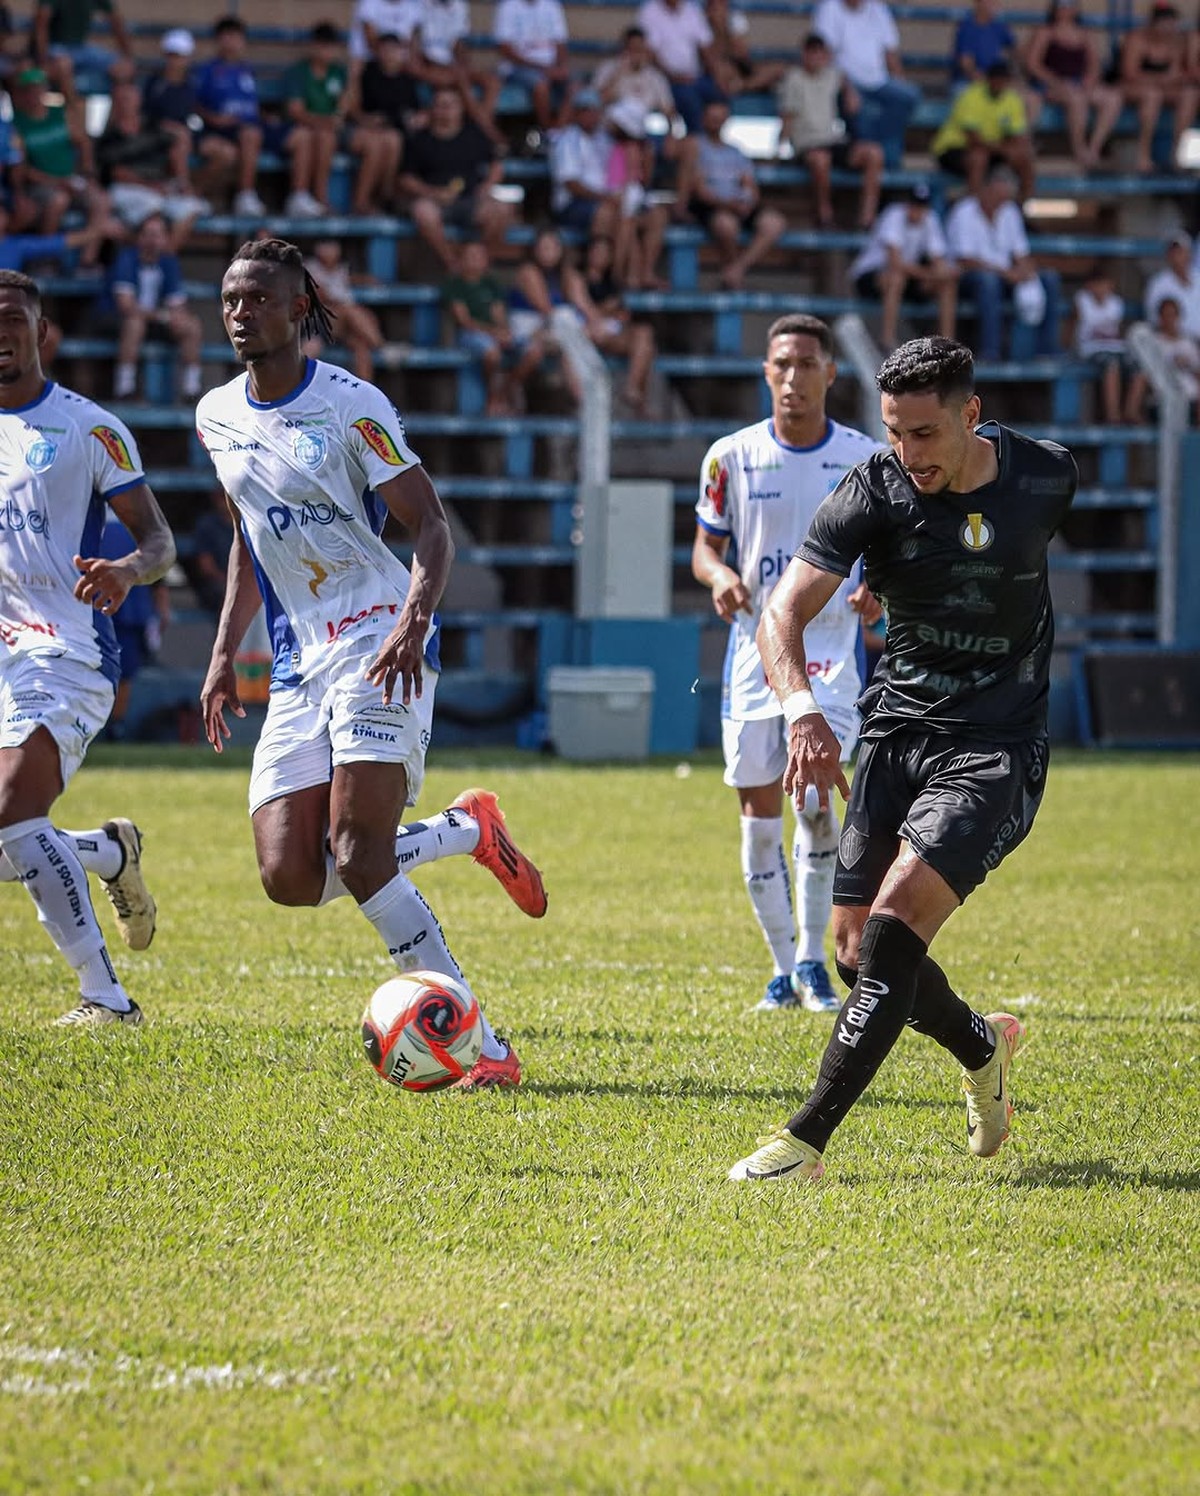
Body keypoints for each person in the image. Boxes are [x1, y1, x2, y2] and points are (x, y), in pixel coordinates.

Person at [196, 237, 547, 1090]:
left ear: (297, 309)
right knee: (289, 876)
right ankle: (468, 831)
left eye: (259, 299)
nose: (242, 313)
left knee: (359, 856)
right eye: (231, 300)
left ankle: (482, 1046)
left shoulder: (353, 406)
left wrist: (413, 622)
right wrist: (221, 654)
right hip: (295, 659)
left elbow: (430, 525)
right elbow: (249, 537)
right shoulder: (215, 414)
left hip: (378, 639)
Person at [729, 335, 1077, 1181]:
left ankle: (803, 1142)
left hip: (995, 745)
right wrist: (804, 710)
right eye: (893, 432)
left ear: (970, 415)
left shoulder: (1046, 477)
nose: (906, 453)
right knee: (854, 954)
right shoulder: (872, 492)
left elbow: (1009, 564)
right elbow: (783, 614)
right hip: (895, 733)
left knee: (892, 926)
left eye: (923, 433)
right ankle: (981, 1049)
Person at [693, 313, 881, 1014]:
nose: (793, 377)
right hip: (754, 653)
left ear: (831, 373)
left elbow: (890, 549)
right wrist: (718, 579)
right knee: (758, 816)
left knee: (815, 802)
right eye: (781, 364)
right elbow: (705, 549)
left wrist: (875, 589)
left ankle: (813, 963)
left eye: (807, 363)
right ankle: (780, 969)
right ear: (766, 372)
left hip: (829, 652)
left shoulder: (864, 458)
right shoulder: (729, 457)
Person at [0, 268, 174, 1026]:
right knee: (16, 835)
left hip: (66, 653)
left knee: (12, 809)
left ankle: (108, 1000)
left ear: (42, 333)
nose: (1, 333)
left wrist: (129, 571)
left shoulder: (89, 427)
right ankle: (108, 853)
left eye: (13, 318)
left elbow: (158, 538)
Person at [282, 22, 402, 219]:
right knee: (325, 136)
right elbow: (296, 112)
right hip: (312, 129)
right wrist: (325, 122)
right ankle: (320, 198)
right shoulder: (298, 72)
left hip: (338, 128)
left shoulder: (339, 72)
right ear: (312, 46)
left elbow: (349, 108)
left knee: (375, 142)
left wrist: (354, 80)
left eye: (331, 46)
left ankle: (362, 201)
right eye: (322, 45)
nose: (327, 51)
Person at [946, 165, 1060, 361]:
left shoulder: (1009, 211)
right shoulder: (964, 212)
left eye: (1004, 199)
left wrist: (1025, 269)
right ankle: (991, 350)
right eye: (997, 197)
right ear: (986, 190)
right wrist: (1006, 273)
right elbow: (965, 260)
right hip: (971, 276)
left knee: (1049, 278)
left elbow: (1020, 252)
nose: (1000, 203)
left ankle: (1046, 349)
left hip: (1006, 275)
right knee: (988, 282)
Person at [674, 96, 787, 290]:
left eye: (720, 118)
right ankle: (733, 276)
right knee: (726, 225)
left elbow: (751, 186)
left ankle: (736, 270)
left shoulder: (736, 152)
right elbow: (700, 191)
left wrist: (747, 202)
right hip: (712, 207)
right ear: (703, 119)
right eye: (712, 118)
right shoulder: (694, 146)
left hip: (738, 205)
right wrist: (730, 205)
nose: (716, 123)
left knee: (775, 223)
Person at [398, 86, 512, 271]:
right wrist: (433, 193)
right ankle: (453, 263)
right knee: (422, 210)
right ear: (432, 109)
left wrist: (486, 187)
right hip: (435, 201)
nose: (445, 110)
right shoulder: (419, 139)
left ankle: (479, 262)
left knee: (502, 210)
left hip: (470, 199)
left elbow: (497, 165)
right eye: (440, 105)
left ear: (461, 108)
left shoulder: (473, 134)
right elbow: (405, 179)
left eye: (450, 105)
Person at [777, 32, 883, 229]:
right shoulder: (793, 80)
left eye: (820, 53)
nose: (816, 58)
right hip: (807, 144)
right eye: (812, 53)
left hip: (833, 140)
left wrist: (850, 93)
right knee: (820, 160)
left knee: (873, 153)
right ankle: (824, 214)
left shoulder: (832, 75)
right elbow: (787, 117)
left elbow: (846, 88)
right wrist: (781, 149)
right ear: (804, 55)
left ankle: (867, 217)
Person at [96, 210, 203, 400]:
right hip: (116, 320)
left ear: (165, 239)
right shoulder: (126, 258)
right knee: (135, 322)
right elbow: (126, 306)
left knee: (191, 325)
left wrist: (177, 318)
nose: (151, 240)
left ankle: (191, 389)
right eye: (146, 234)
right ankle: (125, 387)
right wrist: (164, 316)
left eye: (156, 235)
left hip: (153, 320)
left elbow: (177, 304)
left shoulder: (169, 262)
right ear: (138, 238)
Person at [95, 81, 210, 242]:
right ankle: (149, 255)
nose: (125, 104)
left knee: (192, 206)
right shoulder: (110, 137)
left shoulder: (152, 127)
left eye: (129, 99)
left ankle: (166, 254)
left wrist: (181, 181)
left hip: (158, 186)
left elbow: (179, 141)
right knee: (154, 217)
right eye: (121, 100)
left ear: (138, 101)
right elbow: (117, 173)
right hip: (128, 188)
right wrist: (152, 186)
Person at [811, 0, 920, 169]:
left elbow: (890, 53)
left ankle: (874, 146)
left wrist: (900, 80)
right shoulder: (829, 9)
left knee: (908, 96)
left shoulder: (878, 9)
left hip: (879, 82)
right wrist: (847, 88)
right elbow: (826, 58)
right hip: (846, 83)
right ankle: (879, 156)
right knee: (861, 109)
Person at [850, 182, 958, 349]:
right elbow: (895, 262)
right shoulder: (894, 215)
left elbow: (937, 259)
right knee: (896, 278)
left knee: (946, 284)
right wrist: (930, 274)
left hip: (908, 277)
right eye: (914, 205)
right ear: (907, 204)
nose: (917, 210)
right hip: (871, 274)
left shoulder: (930, 218)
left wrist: (944, 272)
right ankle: (887, 339)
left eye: (921, 206)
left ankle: (946, 345)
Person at [1024, 0, 1122, 171]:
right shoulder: (1045, 32)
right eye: (1062, 5)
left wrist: (1089, 81)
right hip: (1051, 85)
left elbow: (1094, 64)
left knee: (1112, 98)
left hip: (1078, 84)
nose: (1065, 9)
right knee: (1077, 99)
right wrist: (1056, 81)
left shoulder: (1085, 34)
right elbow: (1033, 64)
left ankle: (1094, 147)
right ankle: (1079, 148)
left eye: (1069, 5)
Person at [441, 238, 536, 415]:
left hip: (493, 332)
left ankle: (508, 388)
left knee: (534, 351)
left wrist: (504, 332)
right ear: (461, 259)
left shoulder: (491, 284)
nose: (475, 259)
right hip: (470, 335)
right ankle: (493, 393)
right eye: (471, 255)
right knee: (491, 353)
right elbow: (465, 321)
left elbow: (498, 315)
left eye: (479, 255)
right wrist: (494, 333)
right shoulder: (454, 285)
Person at [194, 16, 270, 219]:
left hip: (246, 129)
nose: (232, 42)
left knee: (252, 134)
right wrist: (214, 118)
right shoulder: (207, 70)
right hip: (217, 129)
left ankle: (244, 196)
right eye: (226, 37)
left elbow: (253, 105)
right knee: (235, 147)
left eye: (236, 37)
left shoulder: (247, 69)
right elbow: (193, 104)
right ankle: (238, 195)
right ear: (218, 40)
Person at [931, 60, 1034, 200]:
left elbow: (1016, 136)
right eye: (997, 79)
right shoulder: (971, 96)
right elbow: (973, 139)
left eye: (1004, 80)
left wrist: (1013, 149)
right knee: (979, 157)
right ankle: (974, 208)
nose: (1000, 83)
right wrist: (1004, 149)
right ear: (988, 79)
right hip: (953, 150)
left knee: (1023, 156)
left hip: (992, 149)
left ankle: (1022, 205)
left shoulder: (1012, 100)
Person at [1118, 1, 1197, 174]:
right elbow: (1129, 73)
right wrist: (1160, 79)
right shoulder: (1137, 39)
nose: (1168, 27)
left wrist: (1170, 79)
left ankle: (1177, 153)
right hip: (1133, 88)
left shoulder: (1175, 43)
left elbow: (1176, 74)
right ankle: (1143, 154)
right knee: (1152, 96)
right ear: (1153, 23)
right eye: (1164, 22)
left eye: (1171, 23)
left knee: (1190, 94)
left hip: (1161, 88)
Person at [302, 238, 387, 382]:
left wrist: (367, 280)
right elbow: (322, 296)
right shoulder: (310, 268)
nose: (330, 251)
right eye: (325, 246)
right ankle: (383, 347)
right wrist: (345, 306)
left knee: (361, 346)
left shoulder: (342, 269)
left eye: (333, 247)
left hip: (345, 328)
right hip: (322, 323)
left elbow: (350, 279)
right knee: (350, 311)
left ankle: (364, 396)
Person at [1072, 262, 1147, 425]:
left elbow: (1117, 329)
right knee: (1111, 365)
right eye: (1097, 284)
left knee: (1140, 368)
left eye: (1104, 284)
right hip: (1091, 348)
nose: (1101, 288)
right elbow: (1073, 328)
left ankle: (1131, 410)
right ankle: (1113, 414)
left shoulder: (1116, 303)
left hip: (1115, 347)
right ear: (1089, 285)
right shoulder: (1082, 300)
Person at [636, 0, 724, 135]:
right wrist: (674, 77)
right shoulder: (649, 12)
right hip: (665, 80)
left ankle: (716, 145)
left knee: (719, 93)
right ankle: (696, 144)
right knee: (689, 99)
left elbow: (705, 47)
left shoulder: (692, 10)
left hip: (695, 78)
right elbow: (649, 54)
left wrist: (718, 75)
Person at [494, 0, 574, 133]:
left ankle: (559, 132)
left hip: (550, 67)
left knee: (574, 86)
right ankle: (546, 131)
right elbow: (505, 50)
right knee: (540, 86)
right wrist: (543, 69)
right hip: (517, 69)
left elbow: (560, 44)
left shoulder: (552, 6)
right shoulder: (507, 7)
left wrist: (561, 67)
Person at [1148, 295, 1200, 421]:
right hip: (1164, 400)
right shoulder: (1153, 342)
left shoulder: (1189, 343)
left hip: (1192, 400)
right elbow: (1147, 374)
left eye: (1173, 315)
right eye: (1166, 315)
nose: (1169, 319)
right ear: (1160, 318)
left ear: (1178, 317)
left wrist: (1187, 365)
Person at [1145, 230, 1200, 335]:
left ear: (1189, 254)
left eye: (1180, 251)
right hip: (1174, 343)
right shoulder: (1158, 283)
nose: (1176, 256)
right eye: (1172, 252)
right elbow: (1154, 319)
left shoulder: (1198, 279)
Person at [951, 0, 1018, 86]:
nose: (995, 5)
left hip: (993, 80)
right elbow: (967, 65)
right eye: (990, 1)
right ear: (978, 3)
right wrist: (990, 81)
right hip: (967, 82)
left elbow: (1016, 51)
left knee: (1028, 95)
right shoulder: (966, 28)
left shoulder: (999, 26)